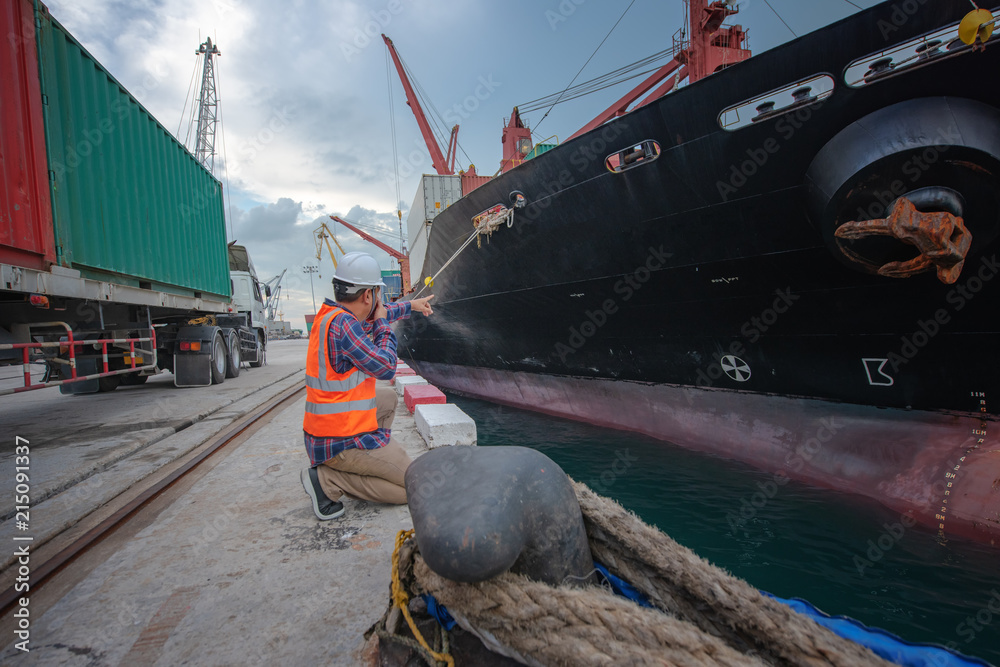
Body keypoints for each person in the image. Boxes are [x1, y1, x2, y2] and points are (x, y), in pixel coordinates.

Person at [301, 251, 434, 520]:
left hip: (325, 429)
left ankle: (372, 463)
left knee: (388, 400)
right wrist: (385, 323)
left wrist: (411, 306)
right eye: (377, 293)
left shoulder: (330, 316)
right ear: (367, 296)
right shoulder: (345, 327)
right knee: (418, 487)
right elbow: (386, 366)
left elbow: (377, 314)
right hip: (339, 439)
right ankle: (328, 481)